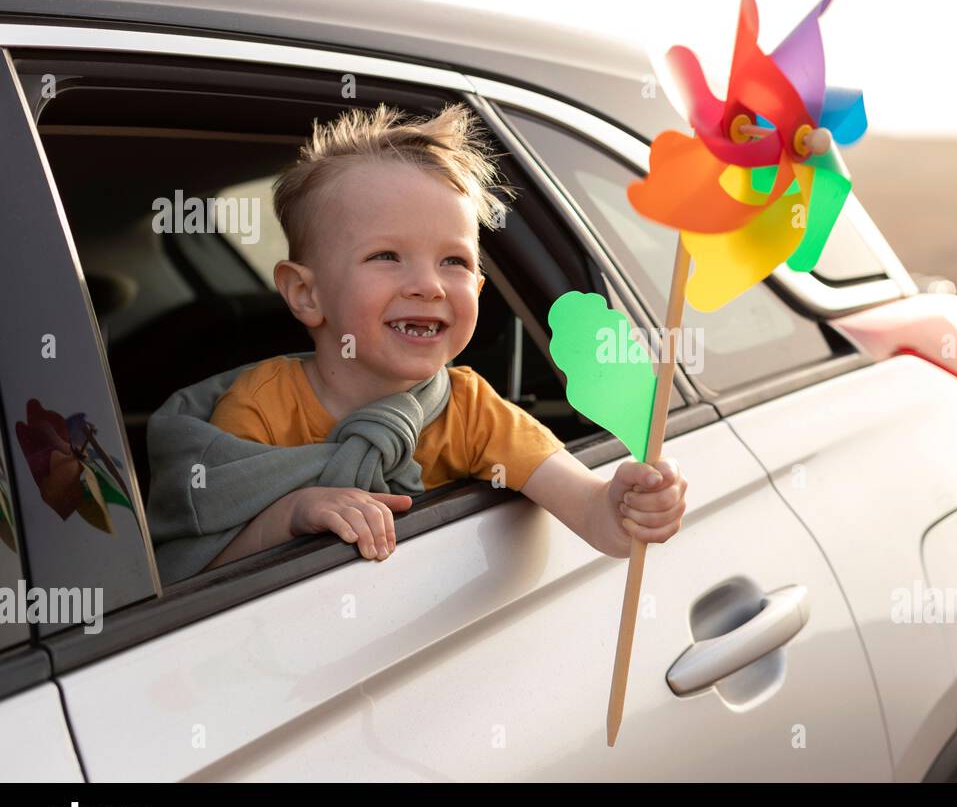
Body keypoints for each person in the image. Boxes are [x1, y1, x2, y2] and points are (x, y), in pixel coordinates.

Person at [198, 101, 686, 570]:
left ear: (477, 287)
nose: (429, 287)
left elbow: (592, 514)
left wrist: (626, 507)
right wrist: (293, 511)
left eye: (454, 261)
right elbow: (202, 567)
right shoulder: (257, 408)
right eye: (386, 256)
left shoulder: (471, 411)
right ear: (306, 293)